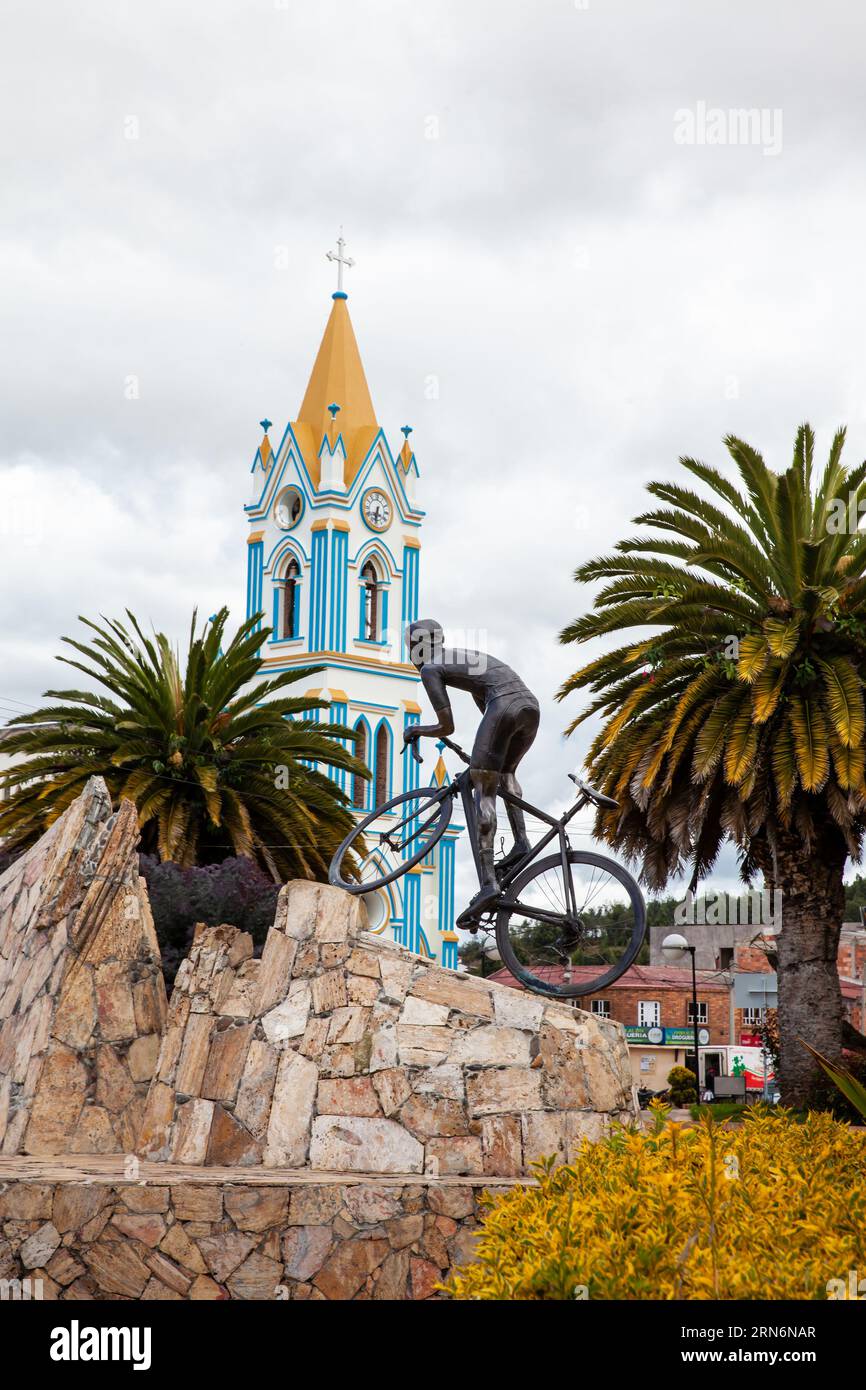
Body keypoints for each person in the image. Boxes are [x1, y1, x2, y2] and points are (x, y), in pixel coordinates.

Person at [404, 618, 540, 920]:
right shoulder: (465, 657)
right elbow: (488, 708)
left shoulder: (431, 668)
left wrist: (415, 729)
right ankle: (520, 842)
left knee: (484, 786)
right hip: (531, 708)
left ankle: (489, 883)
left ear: (417, 646)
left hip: (505, 705)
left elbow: (446, 726)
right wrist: (485, 756)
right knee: (504, 773)